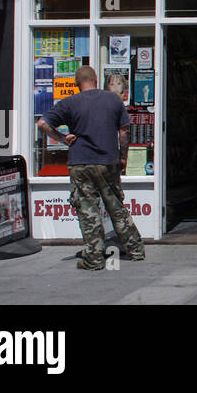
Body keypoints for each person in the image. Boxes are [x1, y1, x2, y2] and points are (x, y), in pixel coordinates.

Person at [36, 65, 145, 270]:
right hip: (108, 161)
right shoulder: (113, 99)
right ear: (95, 79)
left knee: (88, 210)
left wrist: (61, 138)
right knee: (116, 206)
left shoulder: (69, 103)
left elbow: (42, 124)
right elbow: (123, 132)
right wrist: (123, 158)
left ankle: (94, 258)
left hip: (80, 161)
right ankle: (136, 249)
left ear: (77, 84)